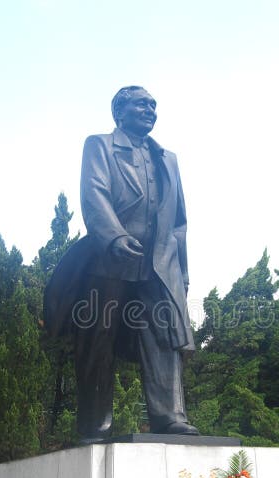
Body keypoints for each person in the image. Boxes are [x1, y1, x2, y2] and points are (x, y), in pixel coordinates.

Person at [44, 86, 198, 442]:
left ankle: (169, 415)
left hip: (158, 264)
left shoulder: (167, 159)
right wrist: (113, 237)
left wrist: (183, 272)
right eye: (141, 104)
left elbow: (178, 222)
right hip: (109, 261)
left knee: (163, 335)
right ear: (119, 112)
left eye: (153, 105)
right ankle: (95, 423)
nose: (150, 110)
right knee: (97, 340)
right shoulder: (99, 145)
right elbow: (94, 192)